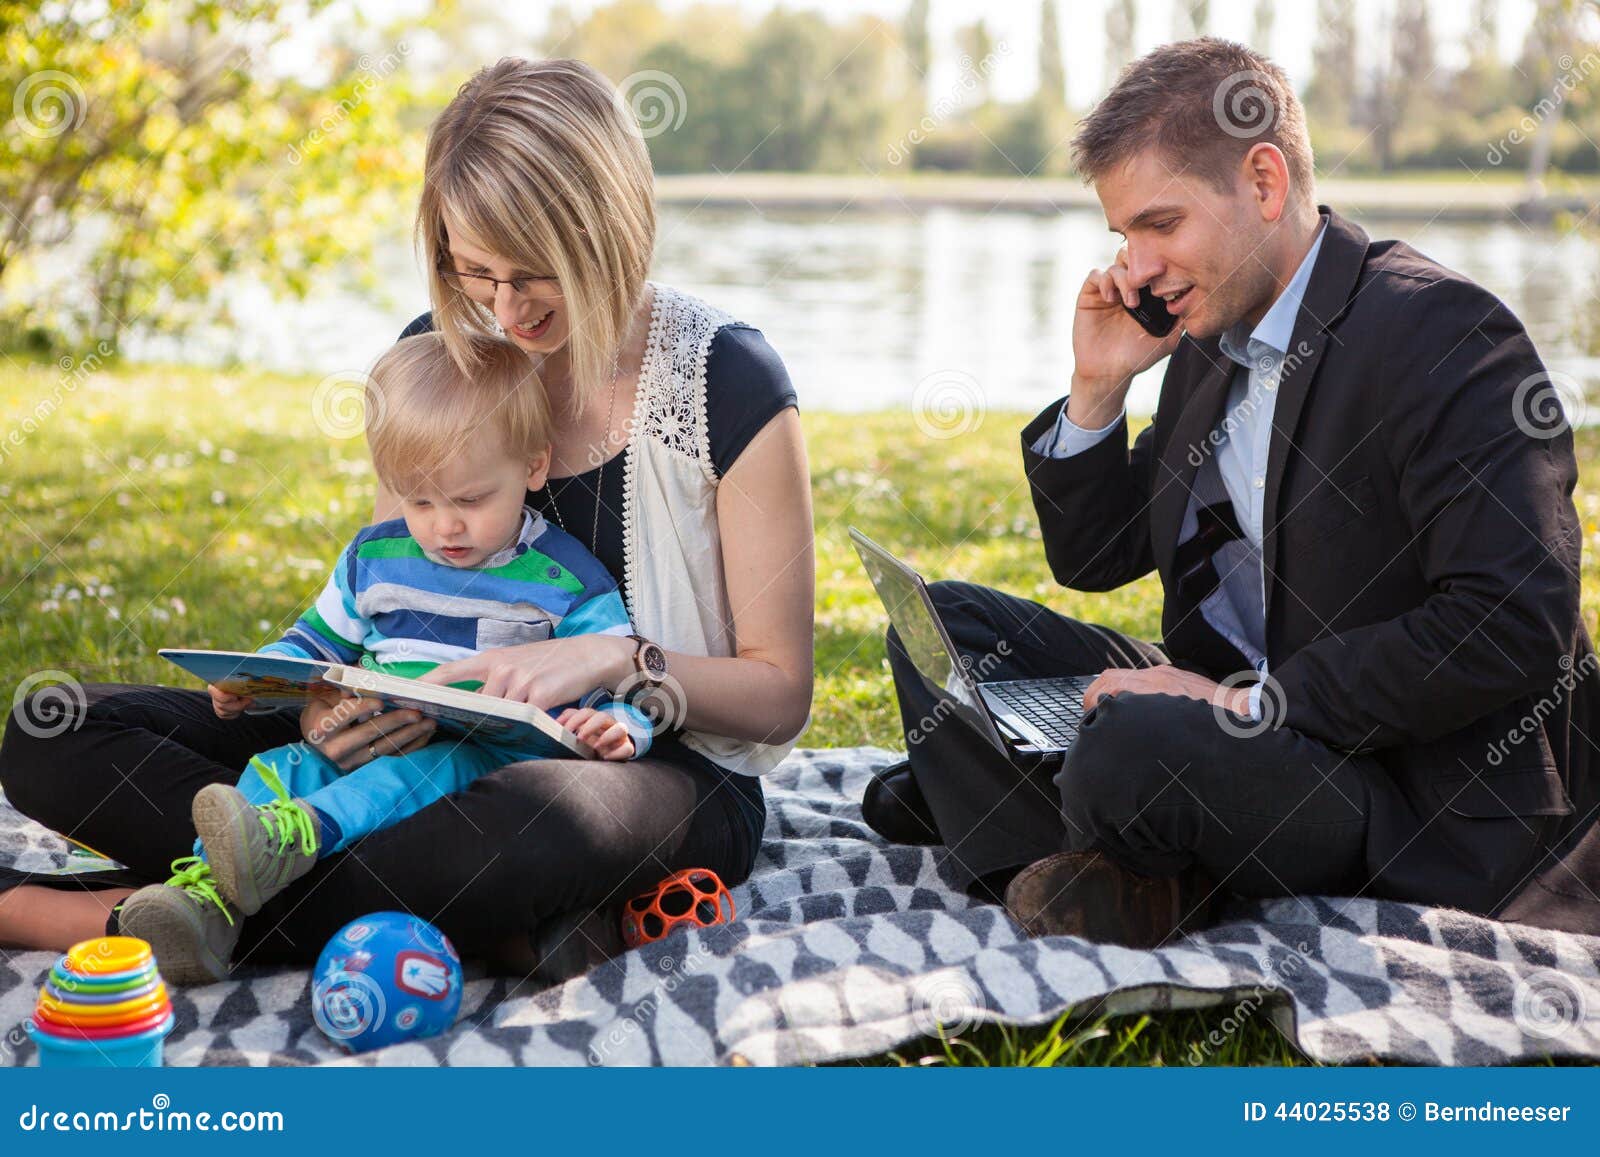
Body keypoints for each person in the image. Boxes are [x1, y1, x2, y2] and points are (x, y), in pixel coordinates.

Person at [0, 58, 815, 981]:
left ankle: (104, 913)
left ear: (611, 233)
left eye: (534, 275)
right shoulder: (437, 356)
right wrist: (328, 705)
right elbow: (391, 592)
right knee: (48, 729)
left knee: (518, 827)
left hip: (646, 761)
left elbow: (781, 691)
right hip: (411, 751)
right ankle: (476, 925)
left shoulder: (727, 381)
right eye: (476, 274)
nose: (505, 311)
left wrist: (615, 657)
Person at [865, 38, 1600, 943]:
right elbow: (1096, 558)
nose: (1135, 267)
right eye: (1124, 235)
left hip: (1400, 787)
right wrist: (1098, 390)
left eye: (1160, 224)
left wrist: (1249, 706)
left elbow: (1512, 624)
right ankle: (1108, 847)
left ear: (1263, 181)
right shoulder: (1208, 333)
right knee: (943, 628)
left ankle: (1041, 823)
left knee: (1131, 746)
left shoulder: (1443, 333)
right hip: (1232, 722)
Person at [115, 332, 659, 984]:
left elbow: (619, 681)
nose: (443, 527)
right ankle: (204, 903)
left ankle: (297, 838)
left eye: (469, 500)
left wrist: (620, 726)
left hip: (485, 757)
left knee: (426, 765)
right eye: (419, 500)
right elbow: (315, 641)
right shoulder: (374, 559)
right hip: (370, 733)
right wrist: (255, 676)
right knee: (274, 766)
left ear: (534, 466)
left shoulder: (569, 578)